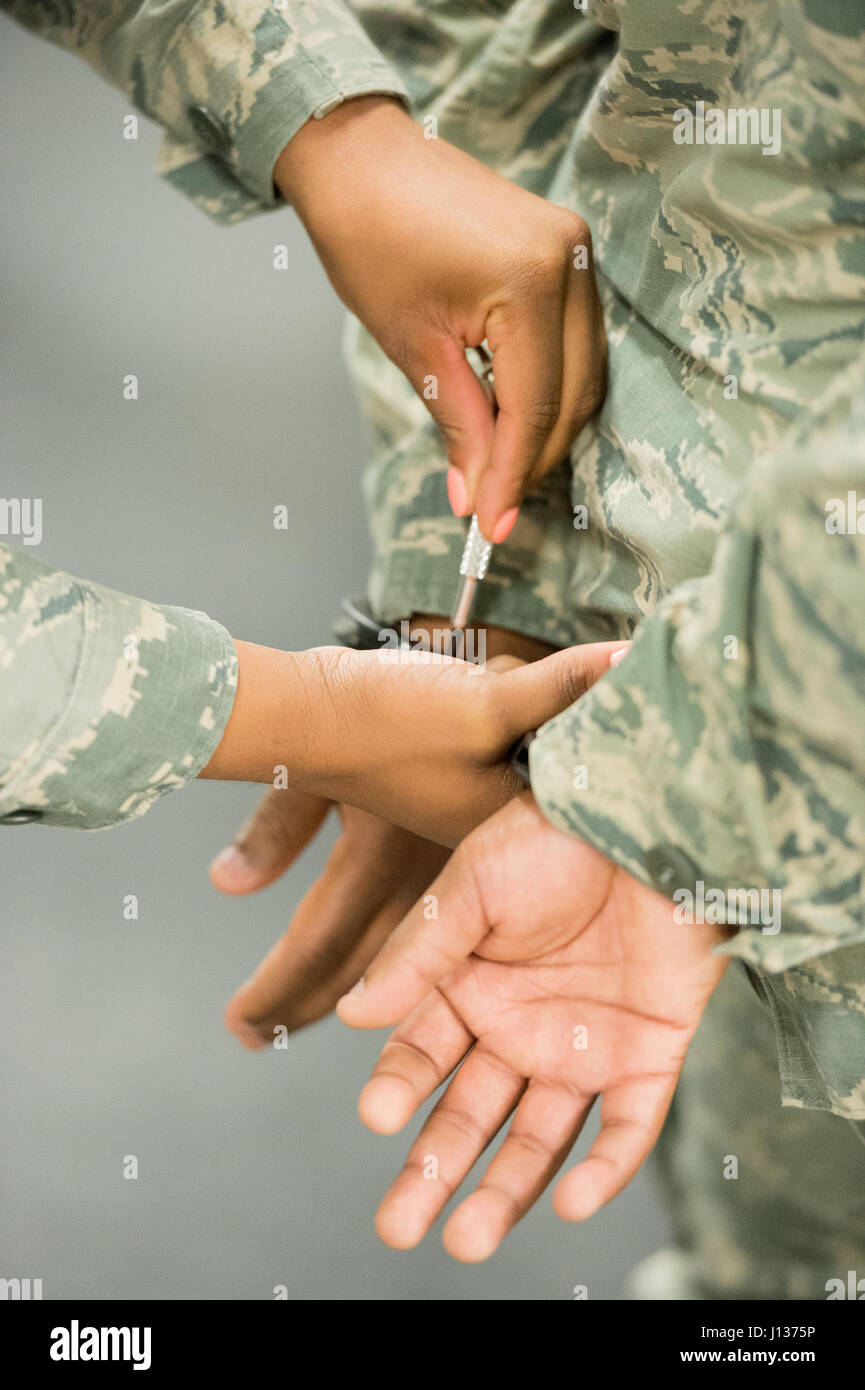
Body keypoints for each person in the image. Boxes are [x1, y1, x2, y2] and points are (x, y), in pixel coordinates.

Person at [209, 0, 865, 1297]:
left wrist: (658, 780)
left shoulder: (645, 795)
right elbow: (468, 32)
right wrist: (484, 608)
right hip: (694, 839)